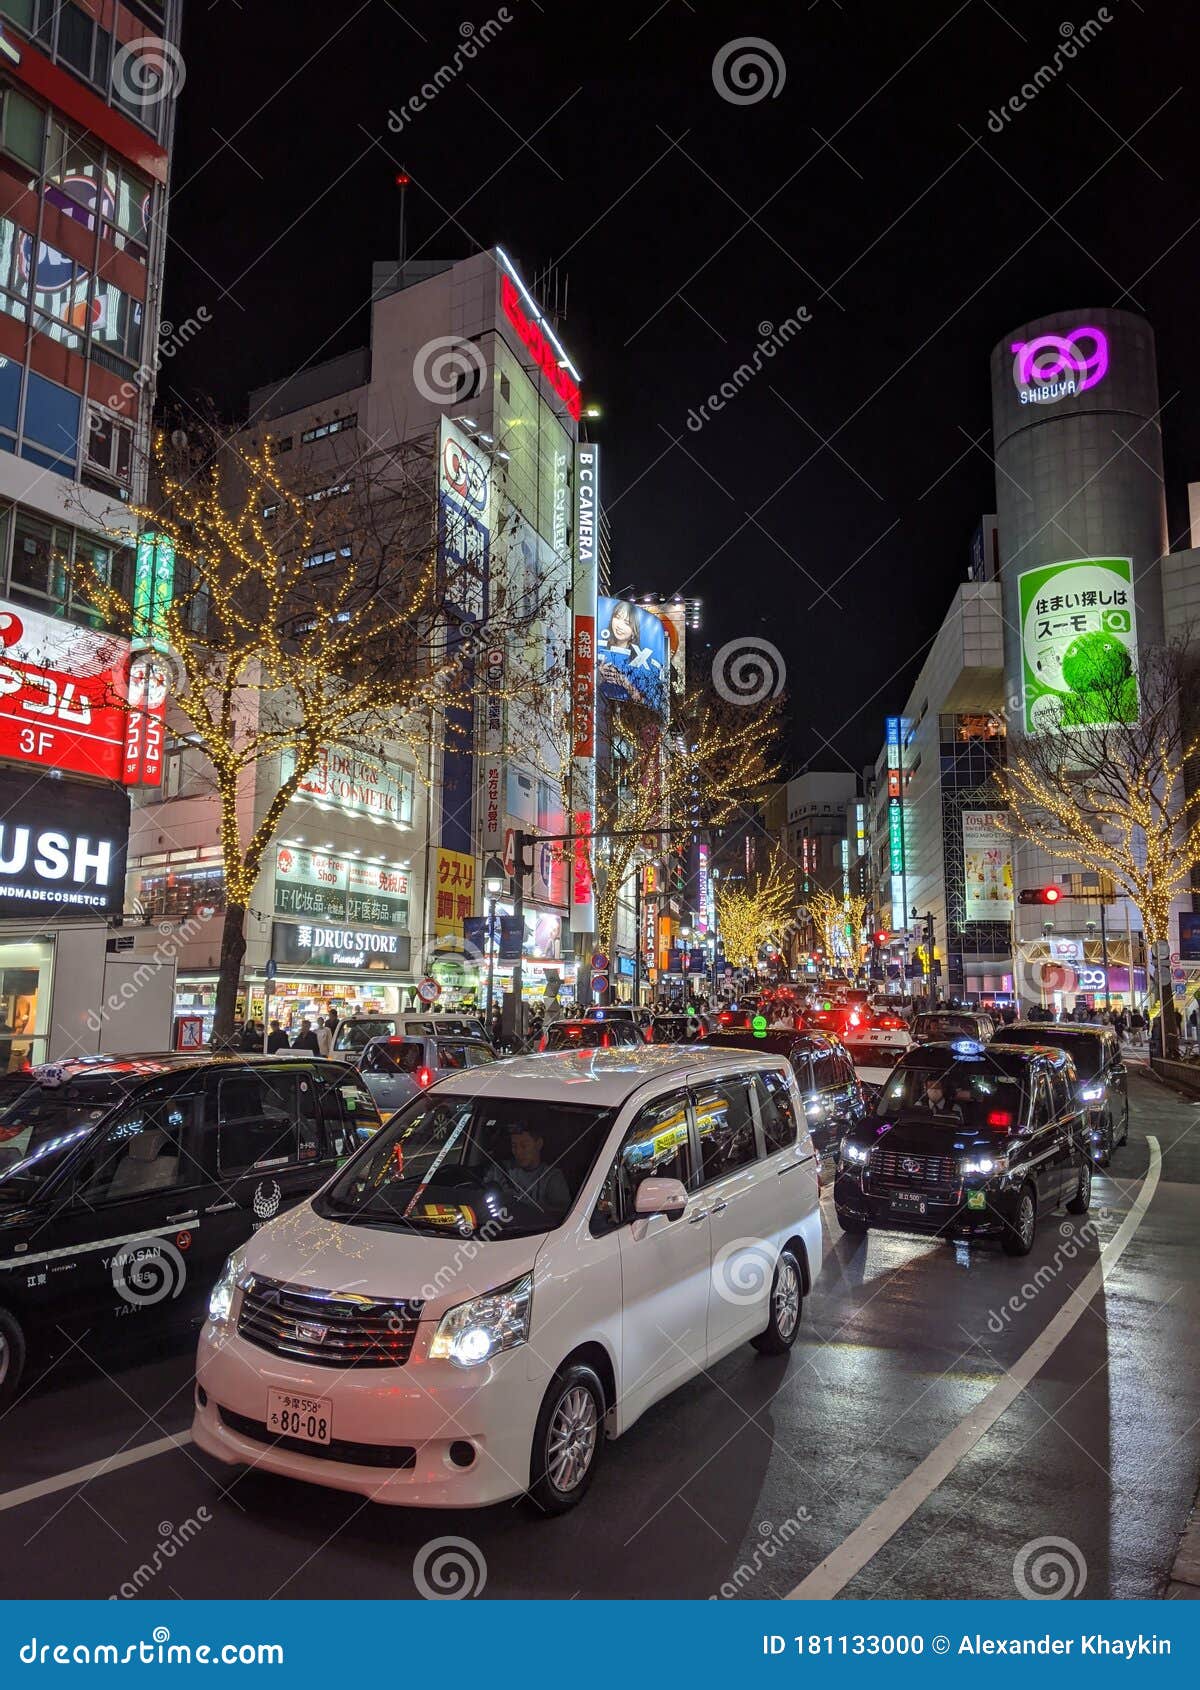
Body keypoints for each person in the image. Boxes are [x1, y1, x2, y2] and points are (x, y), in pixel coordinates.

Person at [500, 1125, 570, 1213]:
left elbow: (561, 1212)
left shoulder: (552, 1176)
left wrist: (522, 1203)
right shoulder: (503, 1170)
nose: (518, 1152)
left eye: (524, 1146)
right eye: (514, 1146)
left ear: (539, 1144)